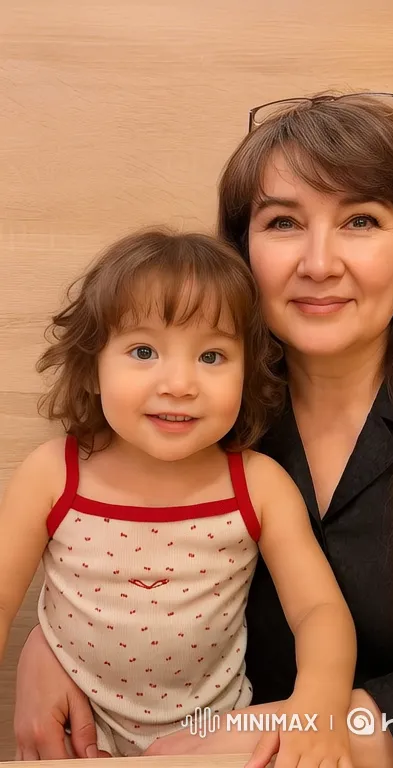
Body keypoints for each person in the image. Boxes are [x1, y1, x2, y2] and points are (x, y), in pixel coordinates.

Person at [13, 92, 393, 768]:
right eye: (282, 223)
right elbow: (114, 541)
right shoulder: (193, 406)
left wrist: (315, 728)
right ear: (241, 250)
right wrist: (52, 645)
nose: (318, 262)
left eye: (360, 221)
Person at [1, 230, 358, 766]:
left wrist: (317, 710)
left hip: (216, 746)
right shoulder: (53, 475)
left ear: (249, 370)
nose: (180, 383)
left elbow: (320, 610)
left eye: (212, 356)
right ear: (93, 365)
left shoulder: (258, 485)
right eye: (143, 351)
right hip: (75, 745)